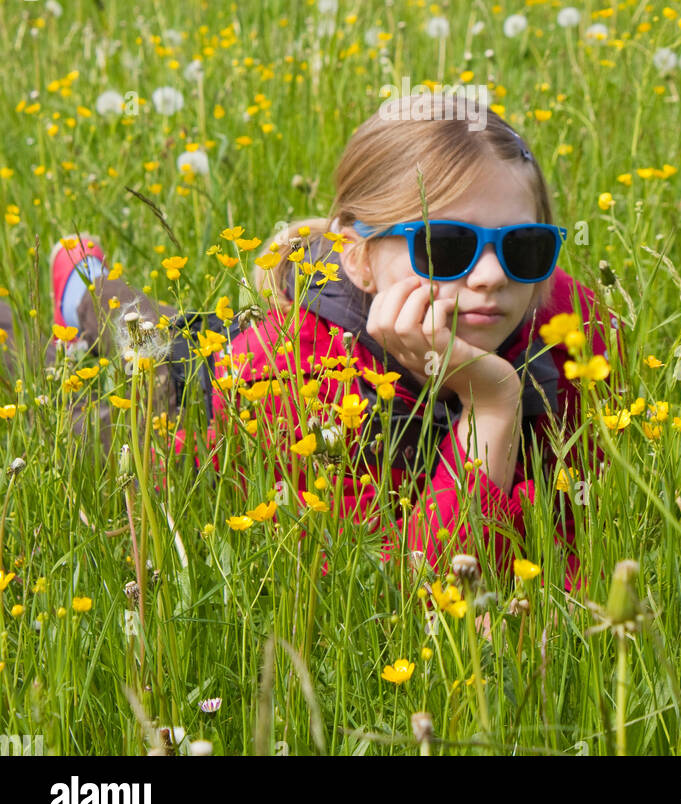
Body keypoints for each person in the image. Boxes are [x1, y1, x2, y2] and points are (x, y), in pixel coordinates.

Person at [31, 95, 622, 587]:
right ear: (358, 257)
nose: (493, 275)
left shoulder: (567, 326)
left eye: (522, 246)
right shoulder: (281, 380)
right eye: (446, 246)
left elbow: (573, 541)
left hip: (295, 336)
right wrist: (491, 405)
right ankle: (79, 283)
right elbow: (409, 587)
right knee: (106, 373)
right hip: (208, 401)